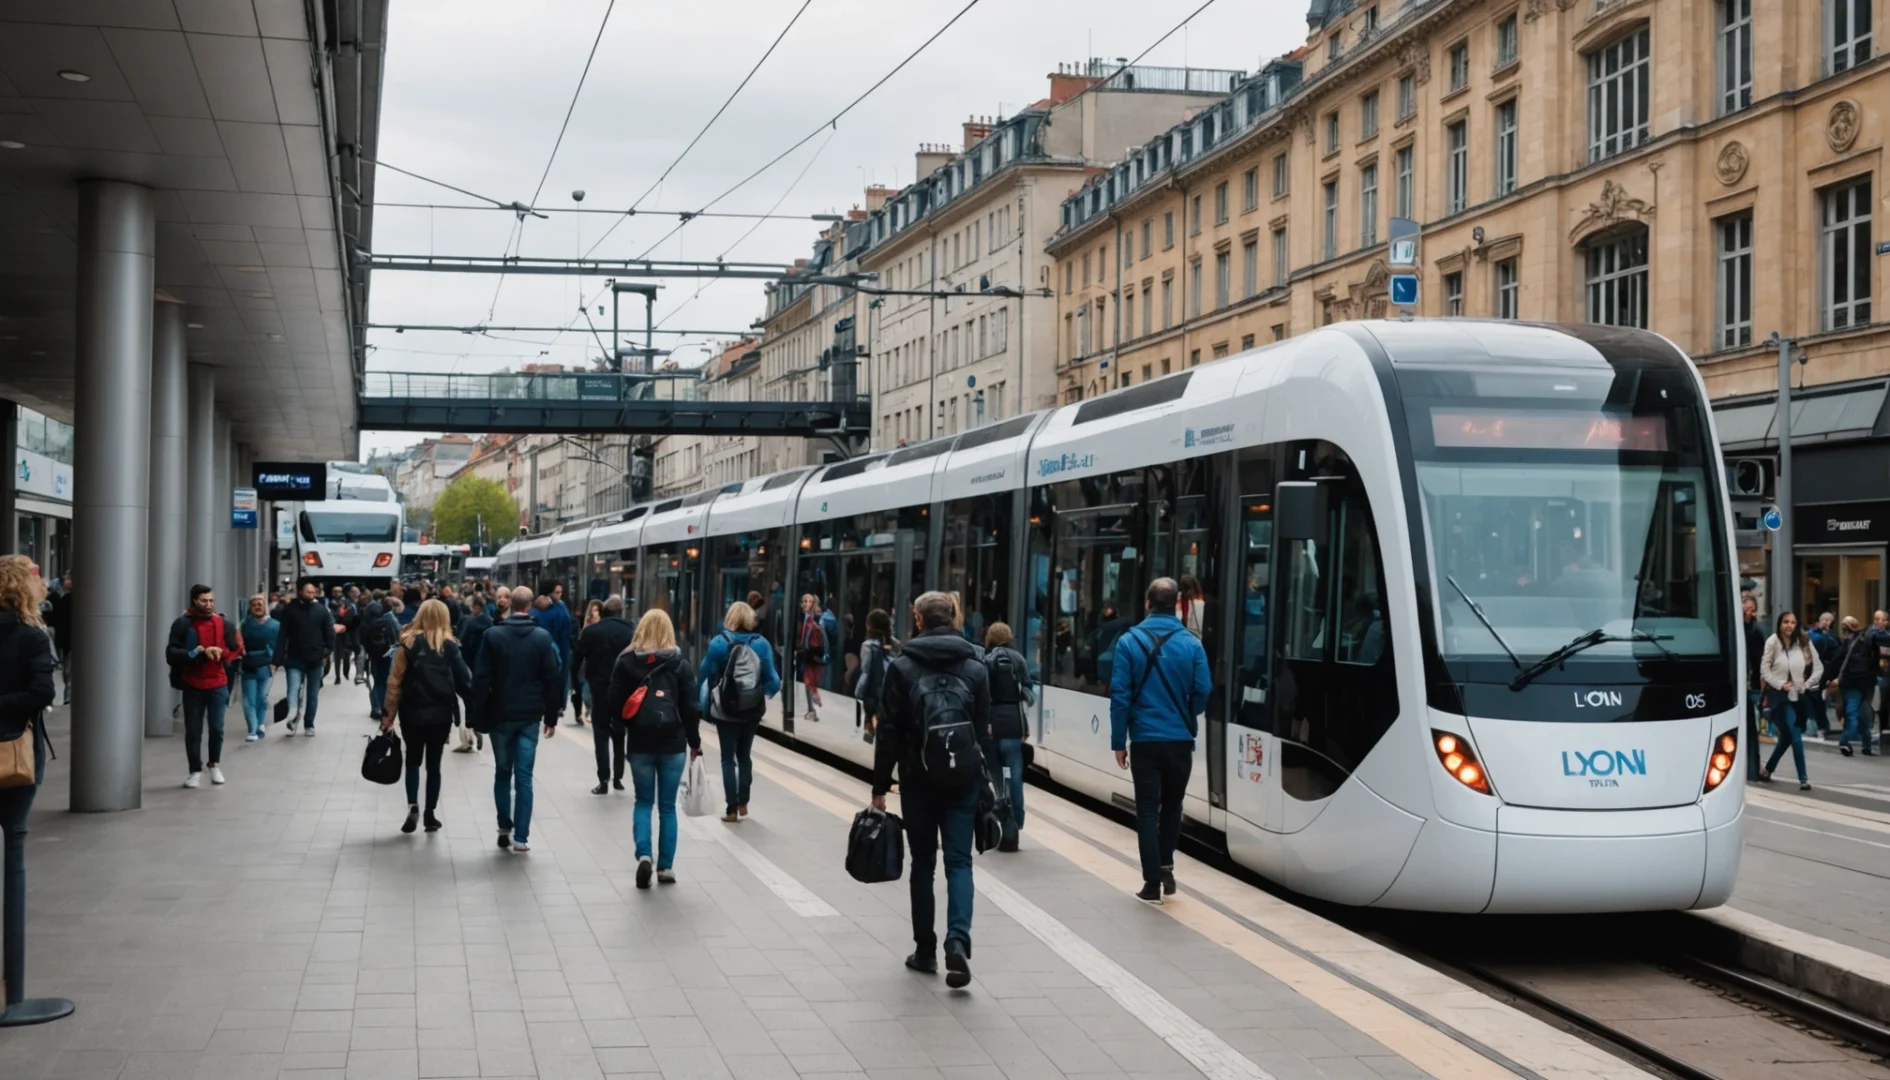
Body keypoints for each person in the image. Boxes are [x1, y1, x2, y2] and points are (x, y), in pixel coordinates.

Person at [871, 590, 993, 989]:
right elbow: (981, 730)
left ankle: (925, 950)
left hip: (918, 780)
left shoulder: (902, 667)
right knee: (959, 862)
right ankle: (957, 941)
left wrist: (879, 787)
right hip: (963, 781)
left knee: (923, 864)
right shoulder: (976, 666)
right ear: (953, 616)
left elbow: (887, 732)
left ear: (918, 620)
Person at [1111, 577, 1212, 905]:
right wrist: (1187, 715)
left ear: (1148, 604)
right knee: (1173, 807)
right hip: (1180, 741)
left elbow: (1120, 696)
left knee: (1145, 810)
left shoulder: (1128, 642)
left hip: (1144, 741)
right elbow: (1203, 690)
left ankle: (1152, 882)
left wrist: (1118, 741)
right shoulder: (1193, 645)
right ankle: (1167, 866)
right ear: (1176, 605)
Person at [605, 609, 702, 888]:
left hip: (640, 742)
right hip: (673, 743)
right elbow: (692, 708)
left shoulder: (625, 662)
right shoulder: (680, 664)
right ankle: (666, 868)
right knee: (668, 807)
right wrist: (694, 743)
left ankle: (644, 854)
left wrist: (621, 729)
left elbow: (614, 704)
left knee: (643, 802)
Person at [0, 556, 56, 1019]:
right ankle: (12, 990)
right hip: (14, 752)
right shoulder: (32, 636)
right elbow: (42, 694)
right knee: (14, 844)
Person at [471, 586, 562, 853]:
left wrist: (475, 714)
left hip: (500, 715)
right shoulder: (542, 638)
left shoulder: (492, 635)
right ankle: (521, 837)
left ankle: (503, 826)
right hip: (529, 717)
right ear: (530, 605)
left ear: (512, 603)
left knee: (502, 771)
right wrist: (551, 716)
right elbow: (552, 678)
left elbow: (481, 677)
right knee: (524, 777)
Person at [381, 599, 473, 835]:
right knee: (434, 765)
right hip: (440, 714)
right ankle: (430, 814)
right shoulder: (450, 646)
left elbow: (394, 681)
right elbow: (465, 680)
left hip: (412, 713)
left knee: (413, 760)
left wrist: (388, 714)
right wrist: (475, 708)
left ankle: (413, 805)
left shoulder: (407, 643)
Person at [698, 600, 782, 822]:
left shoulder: (719, 643)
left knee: (727, 759)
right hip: (752, 710)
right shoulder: (761, 644)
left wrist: (699, 699)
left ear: (730, 618)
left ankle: (731, 809)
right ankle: (744, 801)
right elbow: (773, 680)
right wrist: (762, 691)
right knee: (744, 756)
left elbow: (704, 673)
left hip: (726, 710)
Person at [165, 583, 243, 788]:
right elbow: (170, 653)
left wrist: (222, 653)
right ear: (194, 601)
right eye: (204, 600)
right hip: (193, 684)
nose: (209, 604)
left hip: (218, 683)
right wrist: (195, 652)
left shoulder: (224, 623)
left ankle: (213, 764)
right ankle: (195, 770)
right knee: (193, 730)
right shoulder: (182, 624)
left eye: (211, 600)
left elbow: (236, 649)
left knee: (217, 728)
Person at [574, 596, 636, 794]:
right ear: (621, 611)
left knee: (600, 733)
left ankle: (603, 780)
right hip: (624, 690)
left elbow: (575, 660)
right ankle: (619, 777)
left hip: (599, 689)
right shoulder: (632, 631)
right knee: (619, 732)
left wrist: (576, 685)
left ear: (604, 612)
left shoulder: (591, 632)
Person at [982, 621, 1034, 848]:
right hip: (1014, 724)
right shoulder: (1018, 659)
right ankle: (1016, 825)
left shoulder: (986, 661)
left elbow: (981, 694)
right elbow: (1030, 693)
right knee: (1014, 777)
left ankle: (1002, 821)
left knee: (997, 779)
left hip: (992, 725)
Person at [1760, 610, 1821, 791]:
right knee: (1793, 736)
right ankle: (1803, 778)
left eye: (1793, 623)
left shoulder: (1802, 642)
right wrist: (1780, 684)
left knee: (1789, 736)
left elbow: (1818, 667)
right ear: (1780, 624)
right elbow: (1765, 670)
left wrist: (1807, 682)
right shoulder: (1772, 642)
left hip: (1796, 696)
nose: (1789, 626)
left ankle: (1768, 769)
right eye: (1786, 622)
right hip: (1777, 696)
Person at [274, 578, 335, 735]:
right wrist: (278, 658)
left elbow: (329, 633)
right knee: (293, 689)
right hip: (294, 658)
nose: (312, 594)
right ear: (300, 592)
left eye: (314, 591)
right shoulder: (290, 610)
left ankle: (309, 723)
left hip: (315, 659)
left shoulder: (322, 610)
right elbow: (282, 634)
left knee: (312, 693)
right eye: (309, 591)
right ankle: (292, 716)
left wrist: (327, 652)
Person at [1837, 615, 1882, 757]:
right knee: (1857, 716)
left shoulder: (1863, 640)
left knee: (1861, 717)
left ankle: (1865, 747)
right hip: (1857, 685)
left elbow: (1836, 663)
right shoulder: (1854, 642)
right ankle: (1845, 742)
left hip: (1861, 684)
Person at [237, 594, 279, 742]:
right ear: (250, 607)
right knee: (249, 699)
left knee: (261, 698)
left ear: (265, 606)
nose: (257, 606)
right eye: (254, 604)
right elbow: (238, 642)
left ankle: (260, 723)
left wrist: (275, 663)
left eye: (260, 603)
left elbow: (279, 646)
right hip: (248, 664)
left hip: (266, 665)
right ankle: (252, 730)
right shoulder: (244, 624)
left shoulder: (275, 625)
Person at [531, 582, 575, 724]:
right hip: (557, 650)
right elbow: (565, 634)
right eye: (557, 592)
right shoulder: (560, 610)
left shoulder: (534, 610)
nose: (559, 595)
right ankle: (557, 705)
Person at [853, 609, 892, 744]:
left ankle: (869, 727)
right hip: (888, 689)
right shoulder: (894, 644)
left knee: (869, 709)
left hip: (874, 691)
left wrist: (858, 693)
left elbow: (866, 672)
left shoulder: (868, 646)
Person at [361, 595, 402, 722]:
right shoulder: (389, 617)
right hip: (387, 652)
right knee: (383, 680)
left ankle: (375, 707)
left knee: (377, 680)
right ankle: (381, 708)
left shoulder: (369, 615)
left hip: (374, 653)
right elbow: (398, 632)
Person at [1808, 613, 1841, 740]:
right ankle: (1820, 726)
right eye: (1824, 620)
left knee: (1830, 702)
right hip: (1816, 673)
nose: (1826, 622)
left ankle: (1823, 726)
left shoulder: (1833, 637)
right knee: (1817, 701)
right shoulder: (1813, 634)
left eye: (1829, 620)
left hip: (1829, 672)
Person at [571, 598, 603, 725]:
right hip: (585, 664)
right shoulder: (586, 628)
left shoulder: (603, 627)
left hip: (597, 664)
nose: (595, 613)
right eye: (593, 610)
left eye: (597, 610)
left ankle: (590, 710)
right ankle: (585, 710)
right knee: (583, 689)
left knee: (589, 689)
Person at [797, 594, 828, 721]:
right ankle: (812, 709)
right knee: (809, 683)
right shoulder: (807, 619)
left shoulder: (816, 620)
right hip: (809, 656)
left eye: (809, 602)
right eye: (804, 601)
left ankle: (814, 710)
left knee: (810, 683)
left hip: (813, 657)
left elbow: (819, 641)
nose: (806, 604)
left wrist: (808, 652)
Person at [45, 571, 71, 705]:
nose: (67, 581)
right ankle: (67, 697)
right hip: (64, 639)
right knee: (67, 670)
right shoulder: (57, 596)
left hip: (67, 640)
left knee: (68, 670)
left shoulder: (65, 598)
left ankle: (68, 696)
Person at [326, 586, 359, 685]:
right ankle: (338, 677)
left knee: (346, 655)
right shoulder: (329, 604)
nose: (337, 593)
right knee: (336, 656)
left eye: (339, 591)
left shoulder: (348, 604)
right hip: (335, 632)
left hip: (346, 632)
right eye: (335, 591)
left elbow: (353, 618)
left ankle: (346, 672)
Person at [1743, 597, 1765, 739]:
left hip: (1754, 674)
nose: (1749, 611)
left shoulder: (1756, 629)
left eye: (1752, 608)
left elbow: (1761, 654)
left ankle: (1757, 729)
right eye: (1747, 607)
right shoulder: (1737, 626)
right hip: (1743, 671)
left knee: (1756, 703)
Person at [1177, 574, 1206, 639]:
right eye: (1187, 590)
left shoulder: (1199, 599)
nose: (1189, 592)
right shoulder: (1179, 599)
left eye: (1191, 589)